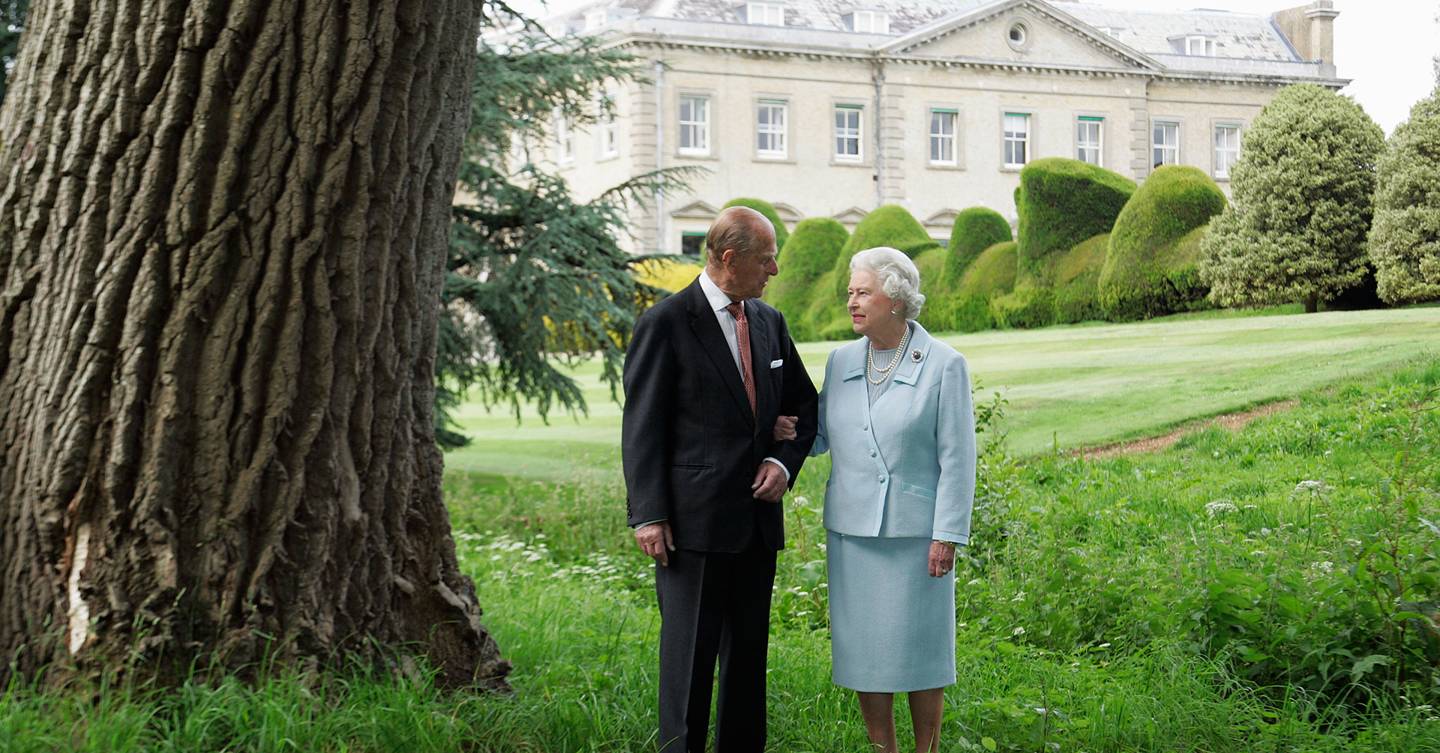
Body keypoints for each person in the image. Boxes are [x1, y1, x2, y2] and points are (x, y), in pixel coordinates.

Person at [622, 205, 819, 753]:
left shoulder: (768, 321)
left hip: (757, 526)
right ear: (729, 259)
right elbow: (643, 427)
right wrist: (649, 514)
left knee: (747, 662)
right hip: (691, 528)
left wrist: (782, 459)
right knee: (688, 664)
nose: (774, 270)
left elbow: (804, 407)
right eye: (767, 259)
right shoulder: (665, 322)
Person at [778, 246, 975, 753]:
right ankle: (883, 750)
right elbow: (822, 436)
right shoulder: (841, 359)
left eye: (863, 292)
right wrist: (778, 428)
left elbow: (958, 458)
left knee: (922, 652)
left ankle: (924, 750)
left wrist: (947, 535)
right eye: (850, 292)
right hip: (853, 534)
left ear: (896, 299)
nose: (852, 301)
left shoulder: (944, 365)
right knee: (866, 652)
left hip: (917, 537)